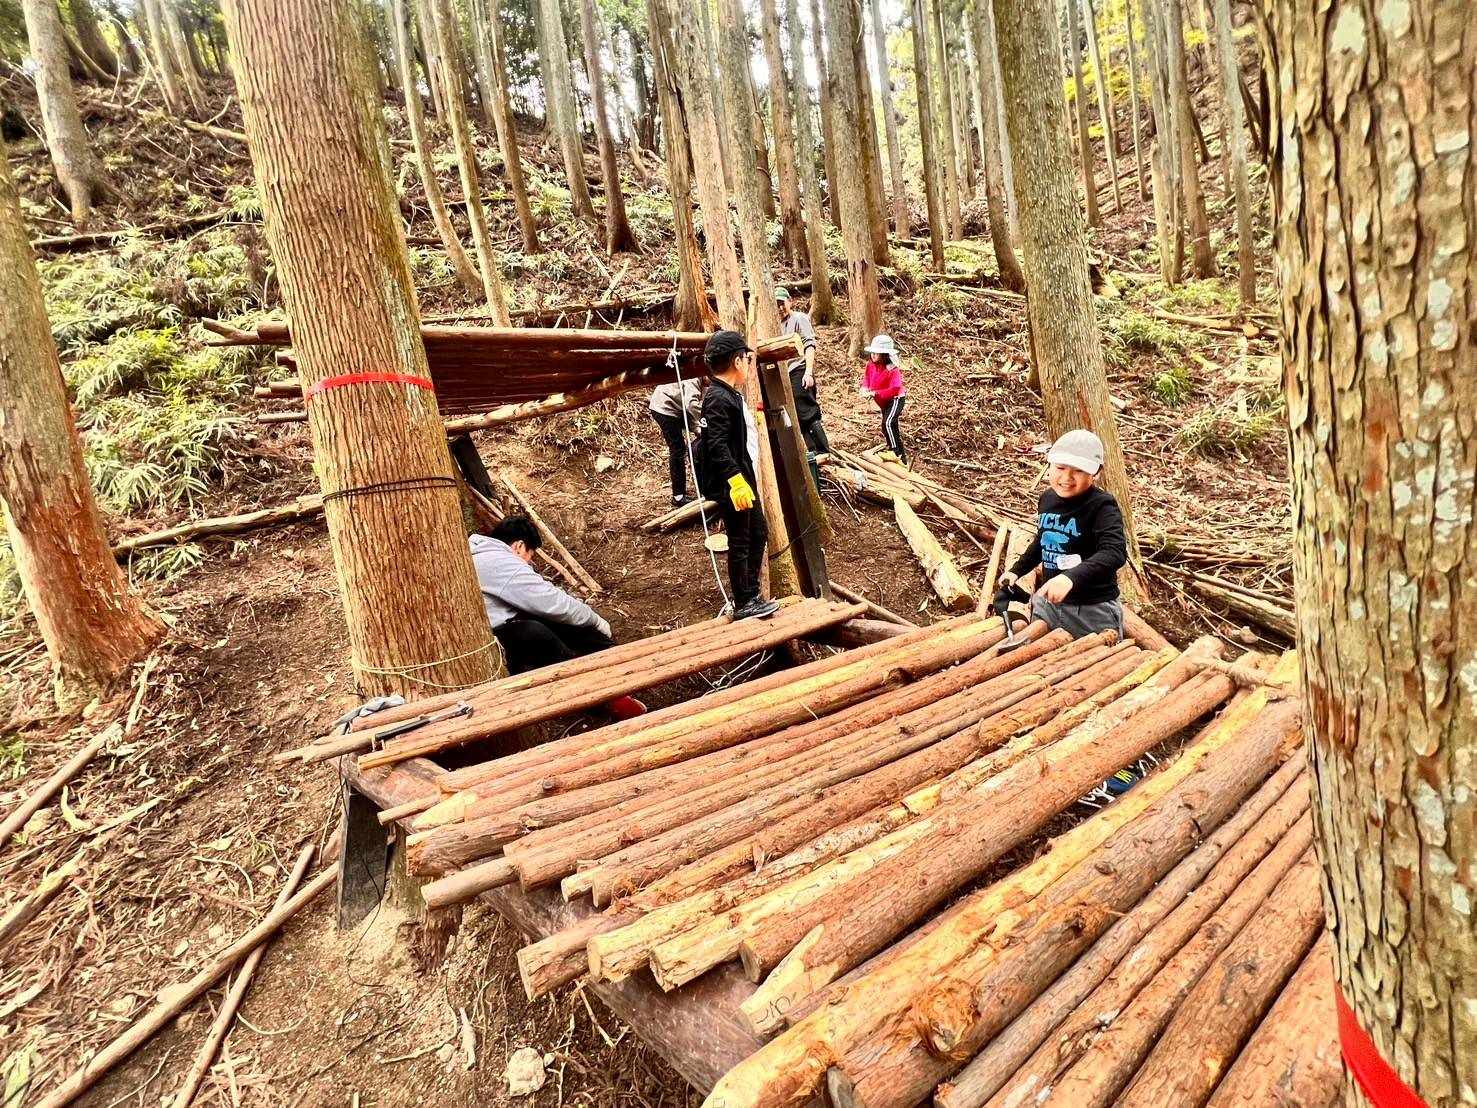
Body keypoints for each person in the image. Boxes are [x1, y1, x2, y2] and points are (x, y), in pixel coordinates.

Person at [468, 516, 646, 717]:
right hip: (492, 640)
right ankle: (600, 697)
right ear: (519, 546)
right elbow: (552, 603)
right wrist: (595, 620)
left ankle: (617, 672)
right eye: (530, 556)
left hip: (494, 628)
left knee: (558, 623)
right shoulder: (499, 561)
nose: (529, 563)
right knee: (538, 633)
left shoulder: (483, 554)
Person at [996, 429, 1127, 639]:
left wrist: (1070, 578)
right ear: (1049, 465)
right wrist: (1016, 571)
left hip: (1091, 609)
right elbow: (1043, 540)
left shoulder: (1102, 506)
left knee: (1095, 656)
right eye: (1060, 467)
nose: (1067, 478)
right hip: (1048, 603)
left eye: (1078, 471)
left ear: (1095, 473)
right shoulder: (1047, 499)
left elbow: (1114, 552)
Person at [698, 330, 780, 621]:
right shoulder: (717, 398)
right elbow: (716, 444)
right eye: (746, 358)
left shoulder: (728, 395)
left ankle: (750, 595)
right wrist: (734, 480)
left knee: (758, 533)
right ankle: (744, 601)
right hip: (732, 484)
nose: (747, 363)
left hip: (742, 480)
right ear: (736, 361)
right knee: (741, 539)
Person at [775, 287, 831, 456]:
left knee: (806, 411)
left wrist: (808, 372)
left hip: (799, 369)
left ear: (789, 302)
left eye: (782, 303)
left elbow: (809, 345)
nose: (780, 308)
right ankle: (813, 452)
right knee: (797, 417)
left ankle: (823, 451)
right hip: (784, 374)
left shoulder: (799, 319)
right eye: (776, 304)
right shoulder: (775, 323)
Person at [648, 379, 702, 507]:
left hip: (675, 407)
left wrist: (698, 428)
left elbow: (692, 413)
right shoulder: (694, 377)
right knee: (677, 450)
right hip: (664, 407)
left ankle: (684, 491)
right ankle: (678, 496)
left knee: (682, 448)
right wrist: (704, 423)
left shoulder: (705, 383)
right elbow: (691, 405)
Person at [859, 334, 908, 464]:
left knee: (888, 423)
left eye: (877, 353)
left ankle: (895, 452)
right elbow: (867, 379)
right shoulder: (870, 365)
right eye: (873, 353)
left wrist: (876, 393)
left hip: (895, 399)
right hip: (883, 401)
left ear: (885, 355)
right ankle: (901, 457)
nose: (874, 355)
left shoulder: (892, 369)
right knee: (889, 426)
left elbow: (895, 388)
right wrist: (864, 388)